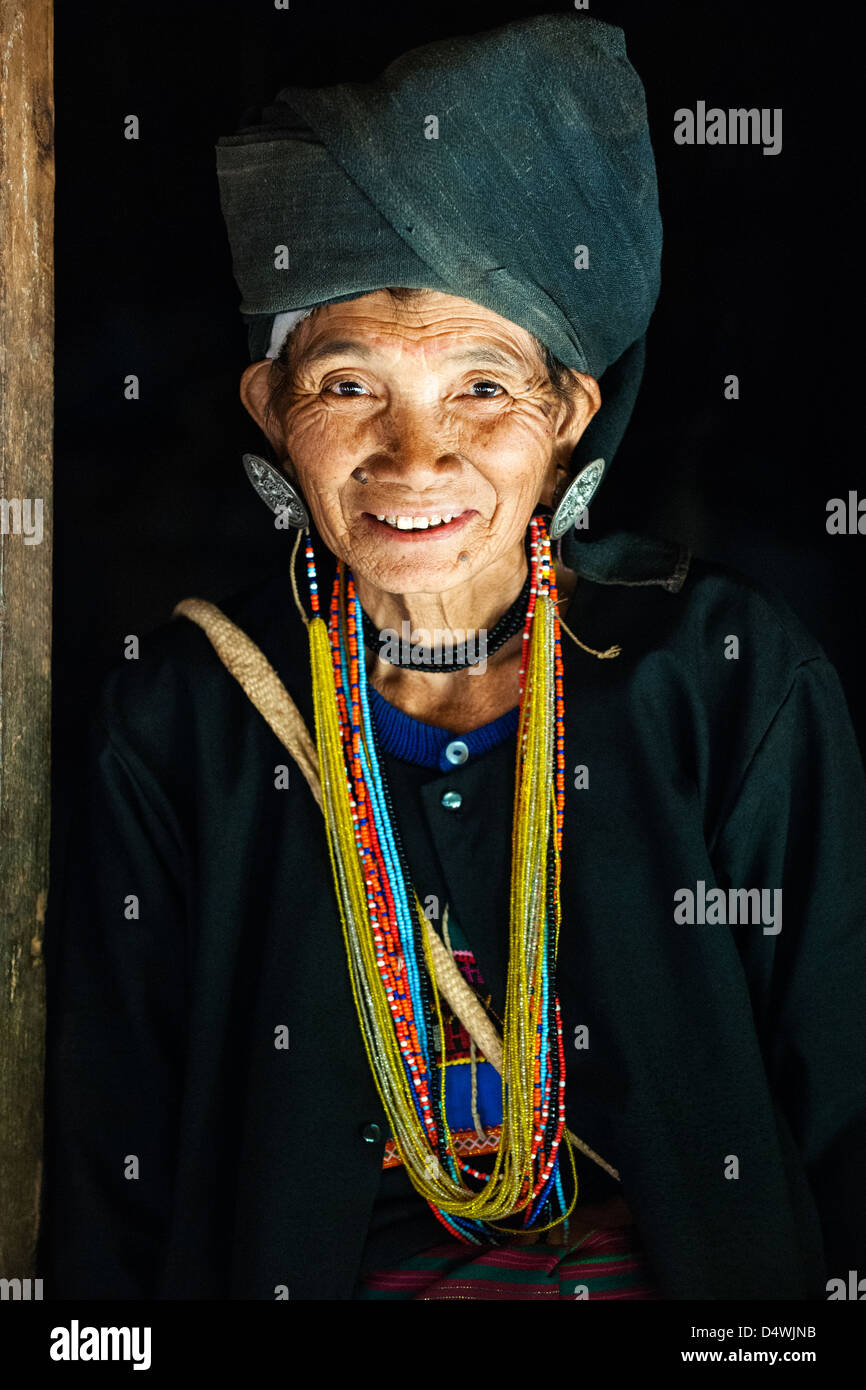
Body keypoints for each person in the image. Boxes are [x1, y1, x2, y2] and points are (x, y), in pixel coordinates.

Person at [42, 12, 866, 1301]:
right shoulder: (184, 715)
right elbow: (110, 1142)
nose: (415, 459)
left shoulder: (727, 678)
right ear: (270, 409)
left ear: (571, 416)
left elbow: (844, 1098)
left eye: (483, 388)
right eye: (349, 385)